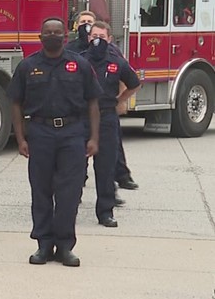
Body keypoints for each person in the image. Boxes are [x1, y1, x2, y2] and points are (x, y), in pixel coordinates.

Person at [8, 17, 102, 267]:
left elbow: (93, 102)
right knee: (41, 191)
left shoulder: (80, 64)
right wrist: (20, 138)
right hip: (40, 133)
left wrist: (93, 137)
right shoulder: (28, 66)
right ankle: (43, 244)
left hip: (72, 133)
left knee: (69, 193)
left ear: (65, 37)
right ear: (40, 37)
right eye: (47, 32)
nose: (52, 36)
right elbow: (16, 103)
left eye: (57, 32)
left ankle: (64, 246)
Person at [80, 22, 141, 228]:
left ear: (109, 39)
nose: (97, 39)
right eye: (94, 35)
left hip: (106, 118)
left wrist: (120, 100)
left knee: (105, 167)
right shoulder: (79, 60)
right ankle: (69, 206)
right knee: (75, 166)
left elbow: (134, 83)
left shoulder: (117, 62)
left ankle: (105, 212)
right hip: (82, 119)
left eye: (102, 36)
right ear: (89, 38)